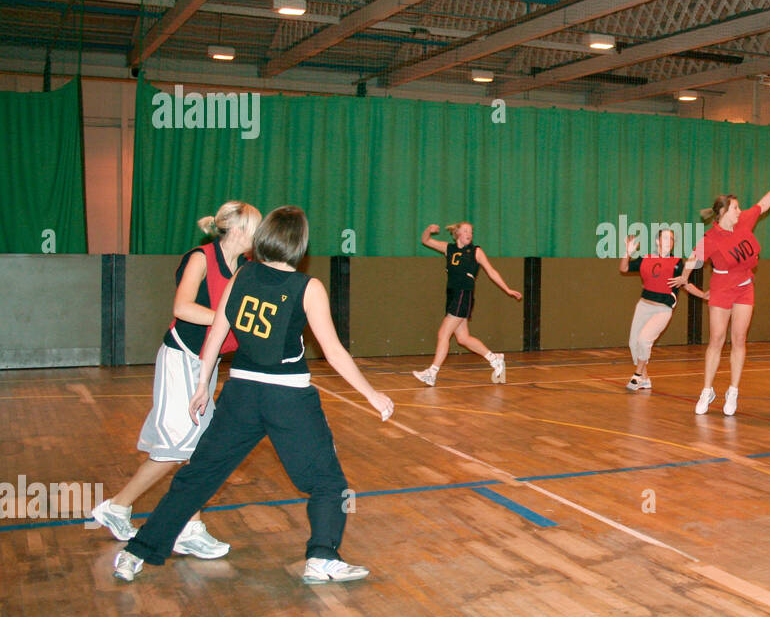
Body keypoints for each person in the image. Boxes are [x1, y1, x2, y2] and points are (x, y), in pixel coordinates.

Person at [112, 206, 395, 584]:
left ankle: (136, 552)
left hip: (241, 394)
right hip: (288, 399)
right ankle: (322, 557)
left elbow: (216, 332)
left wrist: (201, 385)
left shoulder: (242, 274)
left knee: (198, 476)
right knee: (327, 483)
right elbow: (333, 351)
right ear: (300, 244)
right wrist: (371, 393)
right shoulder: (307, 288)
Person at [91, 201, 262, 558]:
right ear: (237, 229)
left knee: (181, 448)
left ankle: (119, 507)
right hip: (180, 357)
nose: (260, 234)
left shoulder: (245, 268)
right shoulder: (200, 258)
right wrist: (225, 318)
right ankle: (188, 526)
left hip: (206, 363)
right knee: (189, 448)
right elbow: (182, 307)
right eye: (256, 226)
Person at [673, 162, 770, 416]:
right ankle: (707, 390)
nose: (740, 211)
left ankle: (733, 391)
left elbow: (764, 204)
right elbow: (693, 260)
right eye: (736, 208)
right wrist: (684, 278)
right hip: (721, 288)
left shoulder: (743, 223)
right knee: (716, 339)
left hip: (744, 287)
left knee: (739, 339)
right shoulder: (711, 239)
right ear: (724, 212)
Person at [412, 222, 521, 387]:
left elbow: (491, 271)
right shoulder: (449, 248)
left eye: (471, 231)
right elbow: (425, 240)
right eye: (465, 231)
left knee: (443, 334)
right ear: (457, 234)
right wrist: (428, 230)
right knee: (463, 338)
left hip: (464, 293)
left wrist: (507, 289)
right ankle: (495, 359)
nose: (469, 234)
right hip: (452, 294)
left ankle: (432, 373)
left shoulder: (476, 251)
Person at [620, 228, 708, 391]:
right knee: (634, 343)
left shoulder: (677, 263)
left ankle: (637, 375)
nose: (669, 241)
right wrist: (627, 253)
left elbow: (685, 283)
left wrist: (703, 295)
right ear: (657, 241)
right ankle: (645, 379)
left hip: (663, 309)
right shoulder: (646, 258)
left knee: (644, 340)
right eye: (666, 238)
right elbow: (624, 268)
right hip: (644, 305)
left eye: (672, 239)